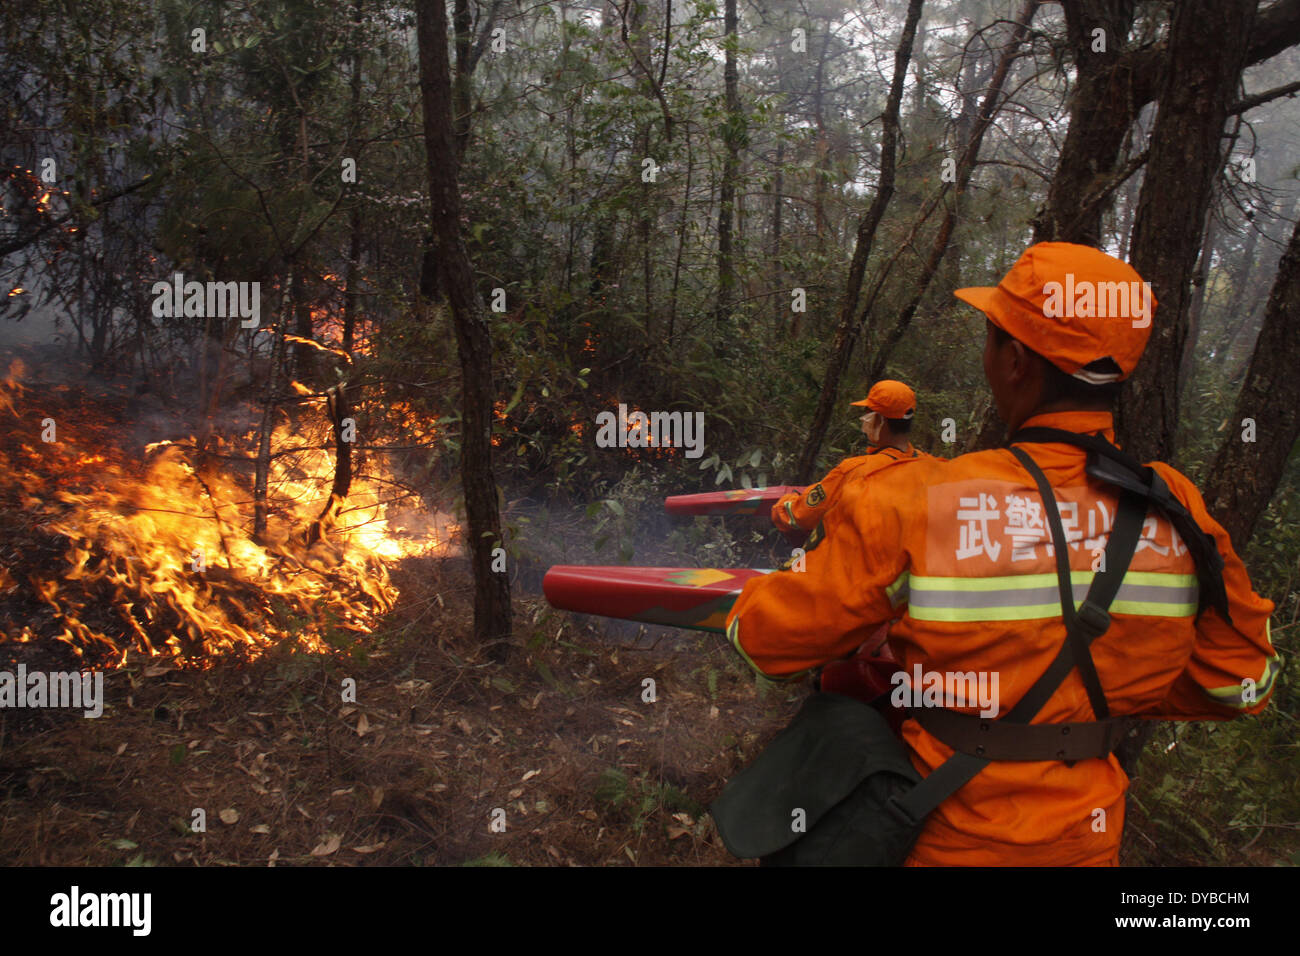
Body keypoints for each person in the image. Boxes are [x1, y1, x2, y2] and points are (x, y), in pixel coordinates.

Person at [725, 242, 1281, 866]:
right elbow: (1241, 683)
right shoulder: (1176, 506)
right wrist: (1105, 689)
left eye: (991, 338)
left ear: (1014, 361)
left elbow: (768, 642)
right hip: (1087, 847)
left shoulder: (921, 496)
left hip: (939, 838)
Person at [771, 380, 933, 537]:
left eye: (867, 413)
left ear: (878, 420)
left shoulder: (855, 471)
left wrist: (783, 504)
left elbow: (803, 515)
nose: (864, 419)